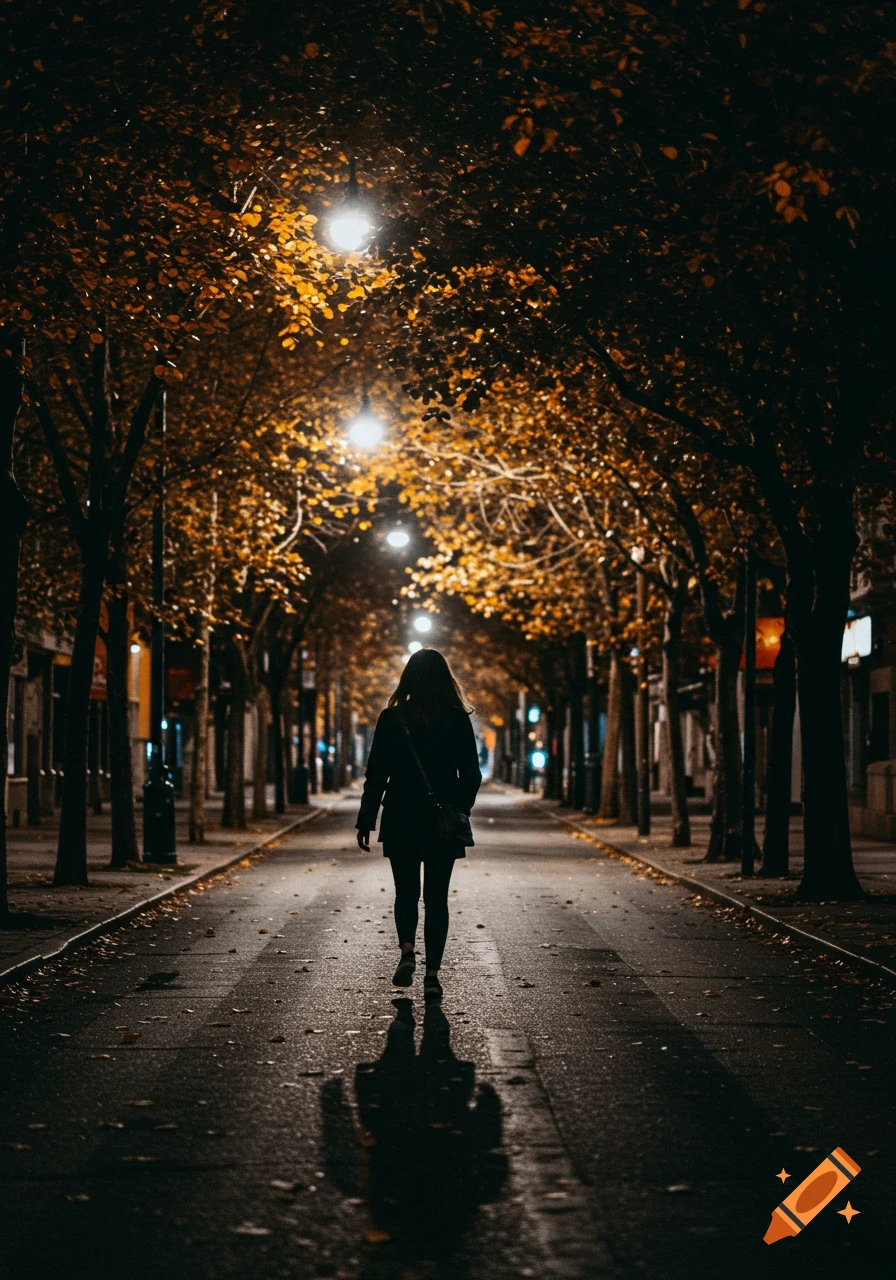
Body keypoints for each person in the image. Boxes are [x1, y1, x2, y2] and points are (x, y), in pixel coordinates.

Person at [355, 648, 482, 1000]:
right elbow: (471, 774)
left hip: (401, 816)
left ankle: (408, 951)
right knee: (437, 898)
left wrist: (366, 819)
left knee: (406, 892)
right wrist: (459, 808)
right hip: (441, 821)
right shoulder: (457, 719)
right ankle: (433, 973)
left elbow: (376, 775)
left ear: (407, 678)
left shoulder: (392, 719)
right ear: (445, 679)